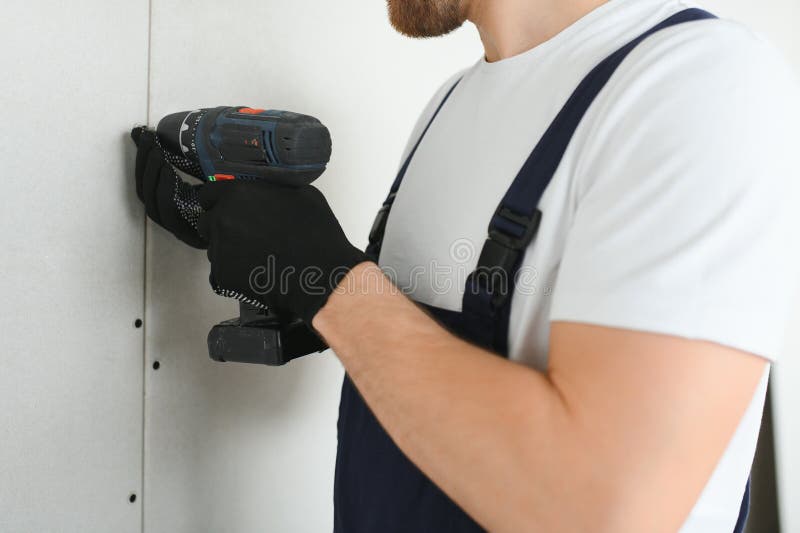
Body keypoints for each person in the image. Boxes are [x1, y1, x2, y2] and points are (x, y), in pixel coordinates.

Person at [131, 0, 800, 531]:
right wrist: (284, 270)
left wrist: (335, 283)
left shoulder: (700, 84)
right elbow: (422, 359)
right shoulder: (450, 102)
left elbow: (602, 508)